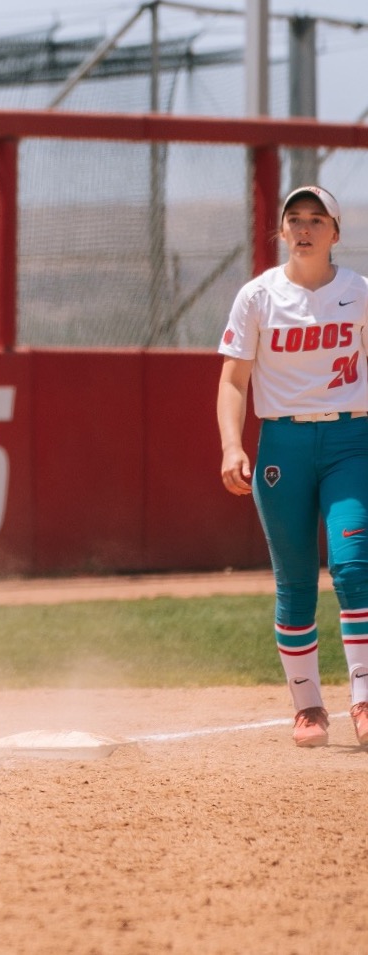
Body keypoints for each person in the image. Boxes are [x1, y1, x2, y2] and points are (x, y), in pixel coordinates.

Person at [218, 184, 368, 749]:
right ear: (282, 231)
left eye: (316, 219)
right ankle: (308, 709)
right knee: (296, 582)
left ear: (335, 232)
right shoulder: (257, 296)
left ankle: (364, 698)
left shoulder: (359, 292)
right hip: (282, 444)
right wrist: (233, 446)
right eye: (294, 219)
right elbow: (233, 381)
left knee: (354, 567)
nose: (304, 228)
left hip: (352, 437)